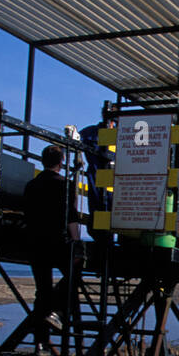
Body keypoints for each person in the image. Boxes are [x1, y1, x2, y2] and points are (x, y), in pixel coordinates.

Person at [24, 144, 83, 354]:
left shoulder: (31, 185)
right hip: (57, 242)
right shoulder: (64, 185)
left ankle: (40, 338)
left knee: (42, 289)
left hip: (34, 242)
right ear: (62, 161)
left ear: (42, 161)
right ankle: (56, 311)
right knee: (74, 274)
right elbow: (71, 216)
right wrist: (77, 241)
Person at [79, 104, 117, 254]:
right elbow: (75, 141)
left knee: (107, 219)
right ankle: (105, 248)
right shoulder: (91, 132)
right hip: (99, 182)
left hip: (112, 184)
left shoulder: (122, 134)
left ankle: (106, 248)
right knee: (98, 220)